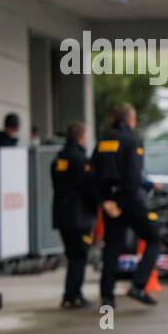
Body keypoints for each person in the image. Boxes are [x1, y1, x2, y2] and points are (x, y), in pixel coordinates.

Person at [92, 103, 159, 308]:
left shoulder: (103, 141)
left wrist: (106, 201)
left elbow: (93, 173)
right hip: (128, 201)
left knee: (112, 247)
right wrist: (122, 202)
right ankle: (138, 285)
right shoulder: (132, 140)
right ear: (130, 119)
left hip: (110, 203)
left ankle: (107, 296)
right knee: (153, 237)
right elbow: (133, 176)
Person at [51, 121, 97, 308]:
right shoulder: (80, 160)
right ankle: (73, 295)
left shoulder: (59, 159)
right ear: (80, 137)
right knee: (79, 257)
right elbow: (88, 189)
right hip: (79, 218)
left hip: (62, 216)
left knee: (72, 255)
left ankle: (69, 294)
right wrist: (95, 209)